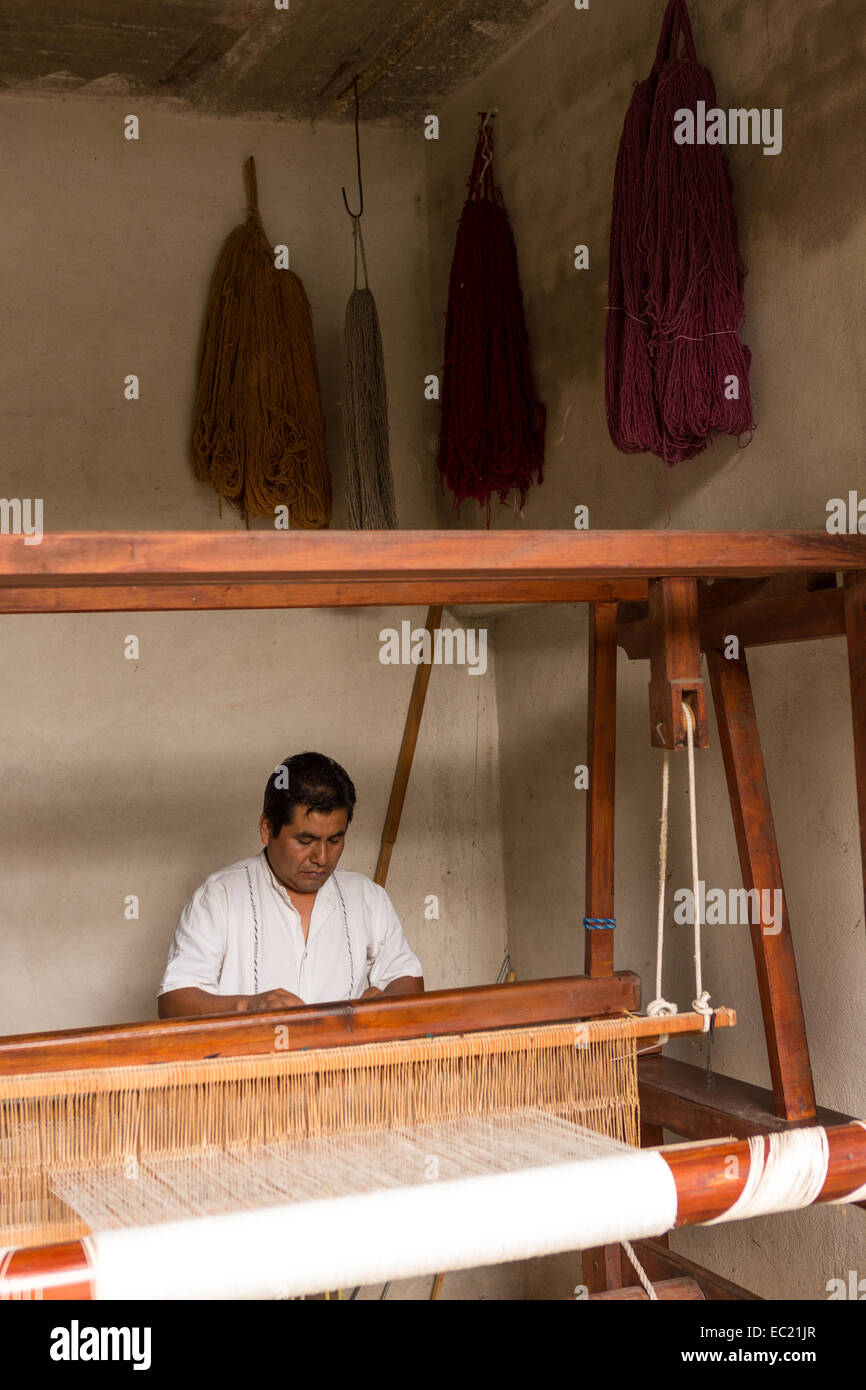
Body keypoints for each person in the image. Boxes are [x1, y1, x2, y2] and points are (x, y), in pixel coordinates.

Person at [158, 751, 423, 1018]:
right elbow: (174, 1002)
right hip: (254, 1059)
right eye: (305, 841)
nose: (321, 857)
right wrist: (249, 1006)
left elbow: (407, 978)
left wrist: (387, 1000)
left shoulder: (367, 897)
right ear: (266, 828)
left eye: (334, 840)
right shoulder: (220, 896)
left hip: (341, 1060)